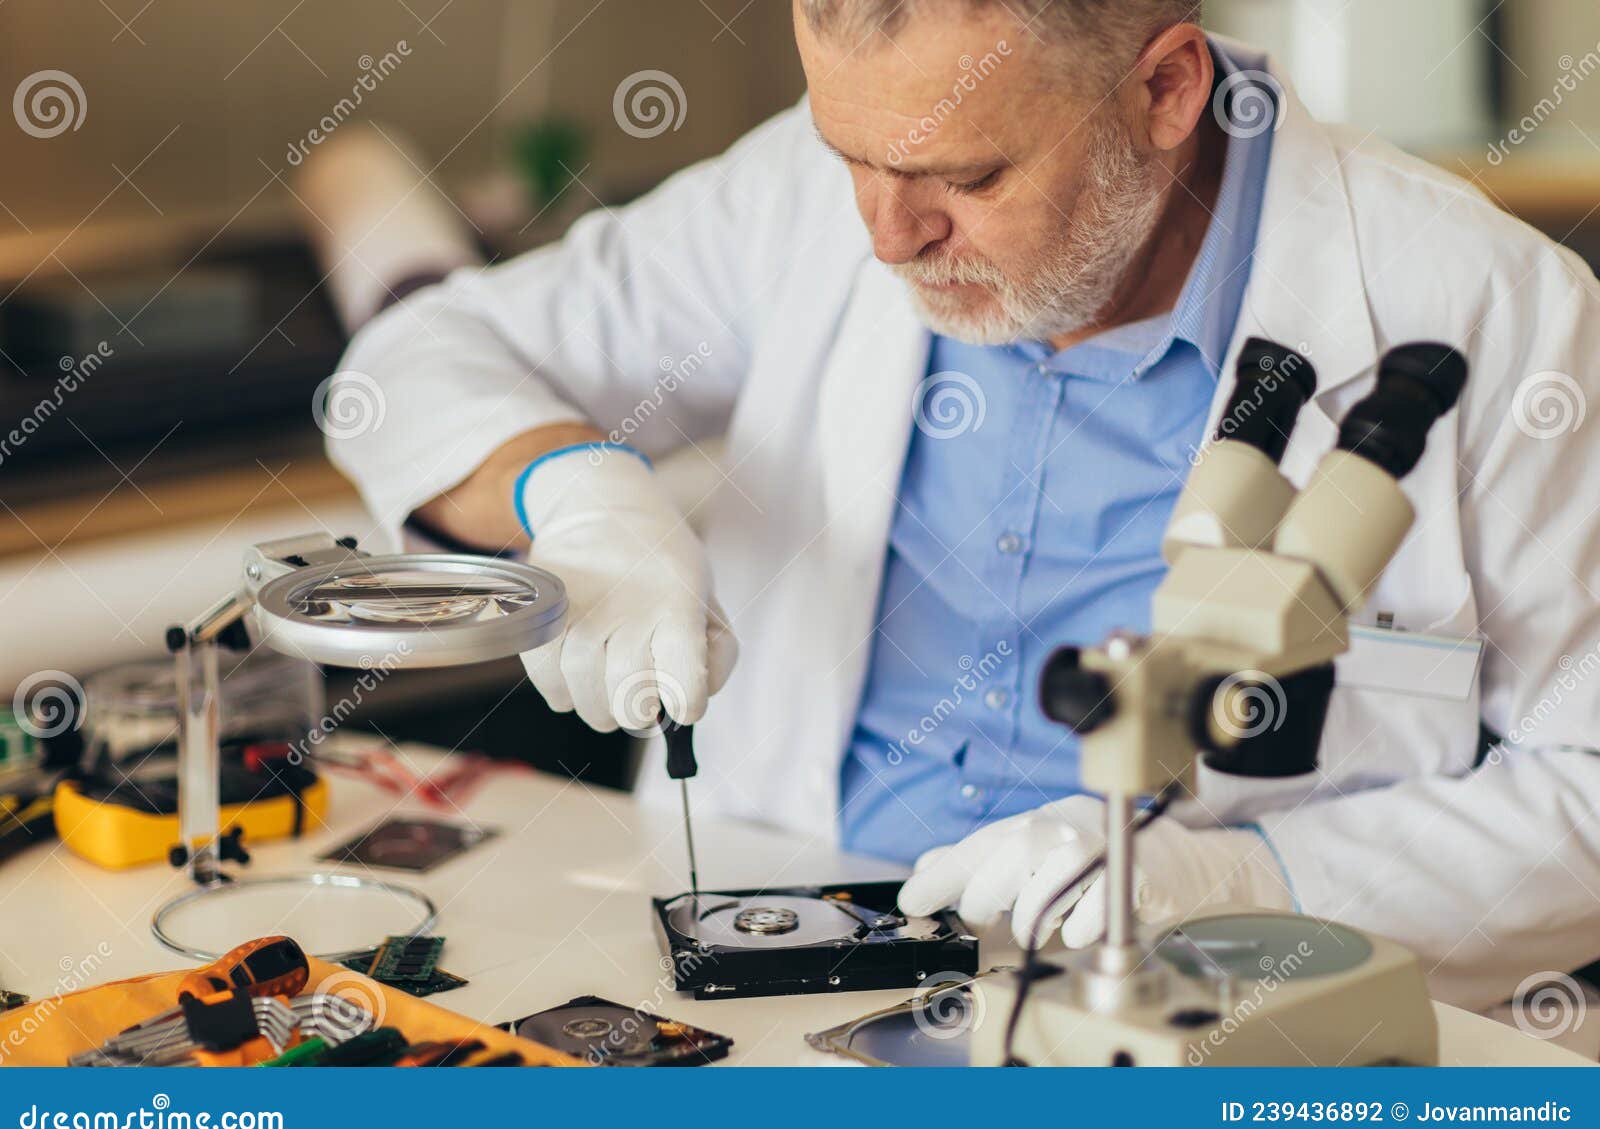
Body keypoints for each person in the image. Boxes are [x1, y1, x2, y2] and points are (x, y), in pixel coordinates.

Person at [328, 0, 1600, 1011]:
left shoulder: (1489, 306)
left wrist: (1229, 881)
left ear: (1164, 90)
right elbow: (409, 367)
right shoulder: (801, 195)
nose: (887, 235)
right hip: (765, 962)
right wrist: (577, 490)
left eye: (969, 175)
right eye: (851, 159)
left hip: (1206, 1020)